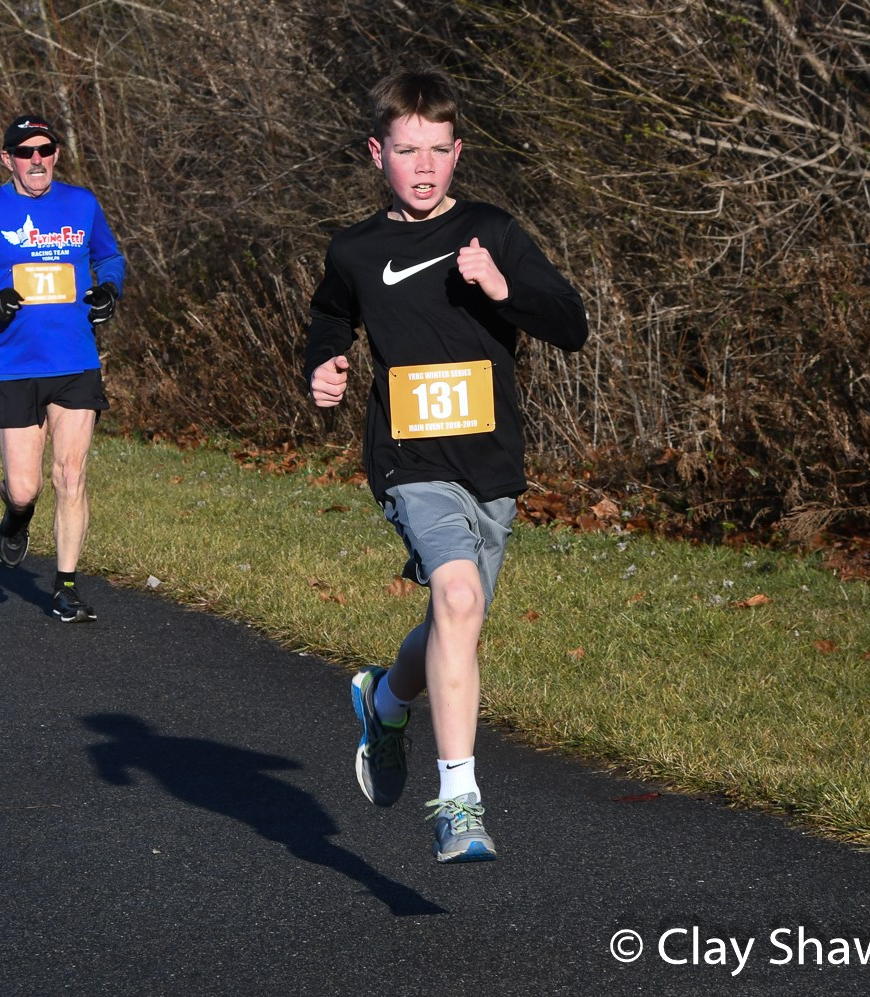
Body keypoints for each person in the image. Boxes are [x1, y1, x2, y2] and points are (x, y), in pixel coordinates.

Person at [304, 69, 589, 863]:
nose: (423, 168)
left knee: (453, 622)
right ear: (377, 153)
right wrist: (325, 361)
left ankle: (384, 699)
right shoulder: (357, 249)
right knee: (458, 595)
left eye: (437, 151)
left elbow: (572, 324)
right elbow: (331, 312)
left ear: (458, 152)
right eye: (406, 151)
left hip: (490, 462)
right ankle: (459, 800)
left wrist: (503, 288)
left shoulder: (492, 232)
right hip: (409, 459)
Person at [0, 115, 126, 623]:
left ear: (55, 155)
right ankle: (16, 516)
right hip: (15, 363)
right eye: (25, 152)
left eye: (45, 150)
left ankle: (66, 586)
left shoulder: (81, 203)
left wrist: (110, 289)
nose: (36, 160)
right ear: (7, 158)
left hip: (74, 360)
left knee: (71, 476)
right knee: (26, 487)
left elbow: (110, 257)